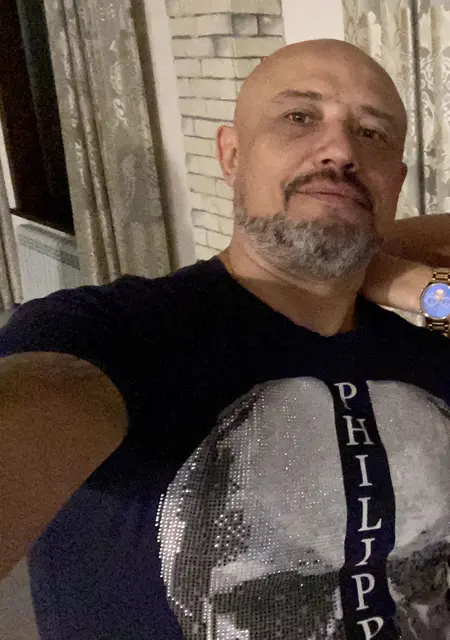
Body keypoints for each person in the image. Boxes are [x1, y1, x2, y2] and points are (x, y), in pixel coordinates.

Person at [1, 38, 450, 640]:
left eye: (371, 133)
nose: (341, 149)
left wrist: (421, 288)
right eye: (300, 117)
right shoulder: (113, 335)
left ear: (395, 181)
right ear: (232, 155)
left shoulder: (430, 358)